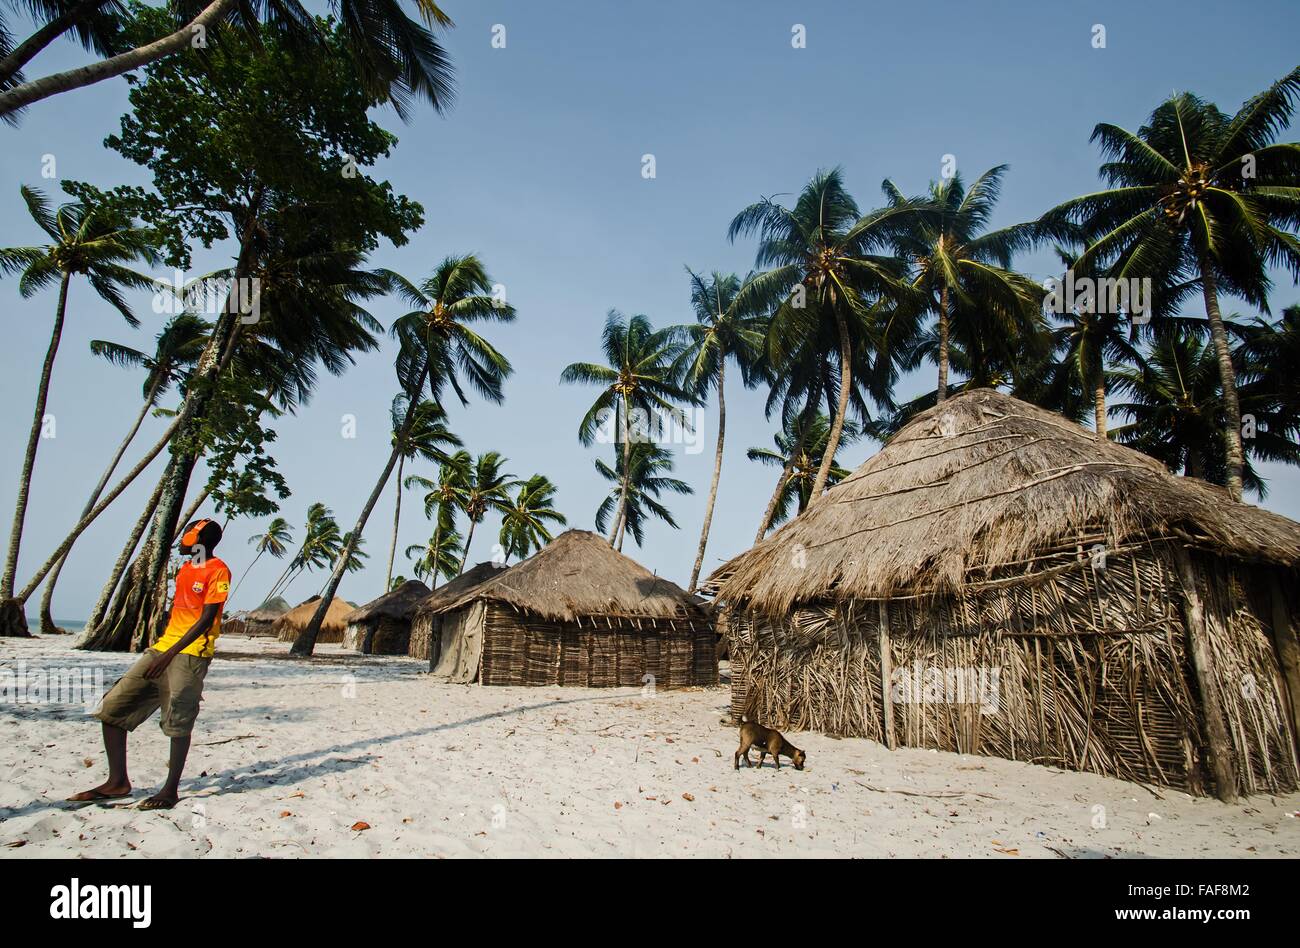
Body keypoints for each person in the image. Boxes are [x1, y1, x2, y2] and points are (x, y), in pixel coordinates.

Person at [69, 518, 231, 810]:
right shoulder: (185, 570)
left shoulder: (218, 570)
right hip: (162, 649)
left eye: (186, 534)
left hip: (190, 655)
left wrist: (170, 655)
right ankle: (117, 782)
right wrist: (161, 649)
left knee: (178, 721)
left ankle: (169, 791)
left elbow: (207, 619)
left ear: (198, 538)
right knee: (111, 709)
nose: (181, 538)